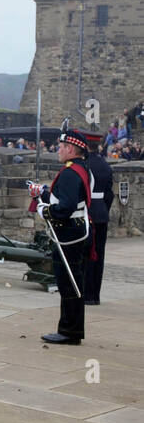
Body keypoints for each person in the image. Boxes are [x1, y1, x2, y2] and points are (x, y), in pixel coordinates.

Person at [28, 129, 94, 344]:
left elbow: (64, 208)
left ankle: (70, 331)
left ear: (70, 149)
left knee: (69, 283)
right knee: (73, 281)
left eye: (61, 147)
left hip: (68, 234)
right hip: (78, 228)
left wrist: (43, 210)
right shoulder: (82, 169)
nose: (58, 150)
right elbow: (64, 198)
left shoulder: (69, 173)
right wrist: (43, 192)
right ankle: (71, 329)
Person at [82, 130, 112, 307]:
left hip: (87, 212)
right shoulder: (105, 165)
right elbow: (109, 195)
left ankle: (85, 293)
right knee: (99, 255)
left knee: (85, 254)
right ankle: (94, 295)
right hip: (101, 213)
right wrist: (103, 209)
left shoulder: (84, 165)